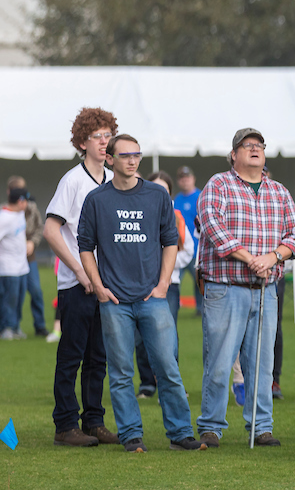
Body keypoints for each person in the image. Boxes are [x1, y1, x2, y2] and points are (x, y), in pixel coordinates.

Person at [76, 134, 205, 453]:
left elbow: (171, 241)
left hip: (153, 298)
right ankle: (131, 435)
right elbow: (85, 246)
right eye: (125, 155)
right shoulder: (96, 199)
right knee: (121, 373)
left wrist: (163, 284)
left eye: (137, 154)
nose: (133, 160)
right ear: (110, 159)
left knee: (167, 367)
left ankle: (181, 433)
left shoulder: (157, 195)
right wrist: (99, 287)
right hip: (114, 301)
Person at [195, 127, 295, 449]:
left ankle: (261, 427)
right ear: (234, 154)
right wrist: (250, 258)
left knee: (262, 365)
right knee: (219, 363)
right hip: (225, 287)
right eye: (247, 145)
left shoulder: (279, 191)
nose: (254, 149)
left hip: (266, 289)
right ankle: (211, 427)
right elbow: (212, 227)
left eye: (259, 145)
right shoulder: (218, 185)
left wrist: (273, 257)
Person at [44, 107, 118, 447]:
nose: (104, 142)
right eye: (96, 136)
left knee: (98, 358)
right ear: (82, 142)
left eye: (108, 135)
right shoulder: (73, 180)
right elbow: (51, 230)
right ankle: (64, 425)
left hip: (106, 284)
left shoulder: (113, 180)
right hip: (76, 285)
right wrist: (78, 269)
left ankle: (93, 422)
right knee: (71, 356)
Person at [134, 172, 194, 399]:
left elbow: (187, 251)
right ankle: (147, 383)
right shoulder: (137, 214)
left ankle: (170, 384)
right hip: (140, 284)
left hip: (170, 284)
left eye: (164, 190)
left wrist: (165, 267)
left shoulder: (176, 217)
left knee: (167, 335)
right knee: (140, 336)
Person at [9, 176, 49, 338]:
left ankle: (40, 326)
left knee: (36, 290)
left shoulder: (31, 209)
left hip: (29, 258)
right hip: (11, 261)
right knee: (14, 295)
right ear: (10, 193)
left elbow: (40, 228)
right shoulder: (5, 212)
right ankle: (12, 327)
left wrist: (32, 242)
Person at [0, 186, 30, 340]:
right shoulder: (4, 218)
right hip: (8, 267)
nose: (27, 204)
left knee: (19, 299)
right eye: (26, 200)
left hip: (22, 266)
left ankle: (15, 326)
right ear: (20, 201)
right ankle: (5, 328)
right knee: (8, 300)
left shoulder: (20, 214)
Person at [173, 166, 202, 318]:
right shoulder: (177, 199)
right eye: (182, 178)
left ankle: (201, 309)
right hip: (179, 248)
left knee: (198, 280)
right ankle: (173, 306)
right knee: (174, 279)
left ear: (193, 179)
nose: (185, 181)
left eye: (187, 178)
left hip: (196, 249)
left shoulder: (200, 197)